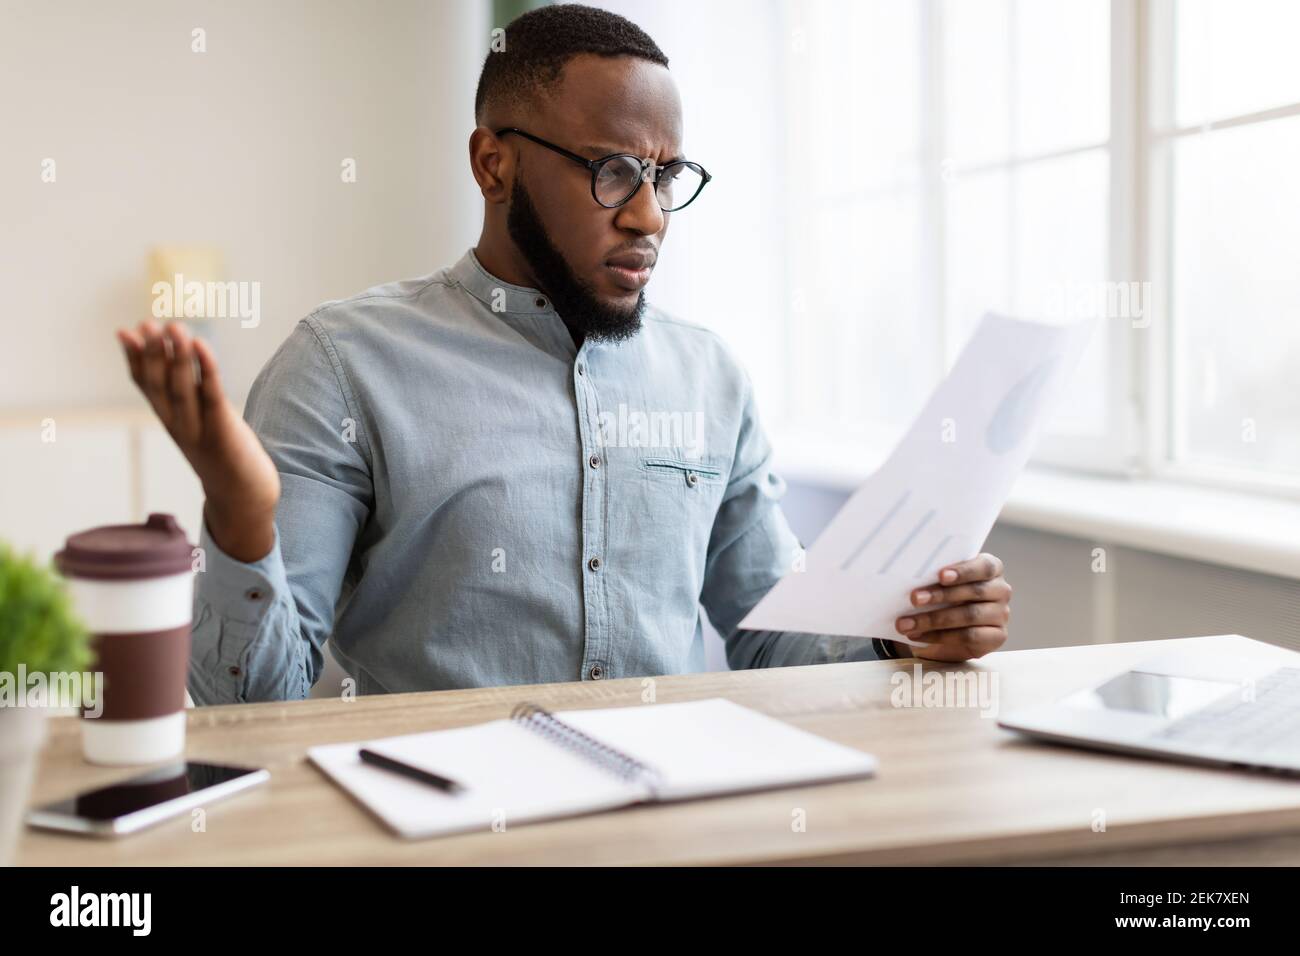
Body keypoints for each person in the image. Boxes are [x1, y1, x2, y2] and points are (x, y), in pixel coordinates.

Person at [116, 4, 1011, 704]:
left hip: (677, 823)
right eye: (614, 170)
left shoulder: (711, 378)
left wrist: (901, 630)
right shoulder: (344, 364)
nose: (650, 215)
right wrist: (241, 510)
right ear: (493, 164)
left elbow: (771, 638)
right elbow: (253, 698)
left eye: (666, 176)